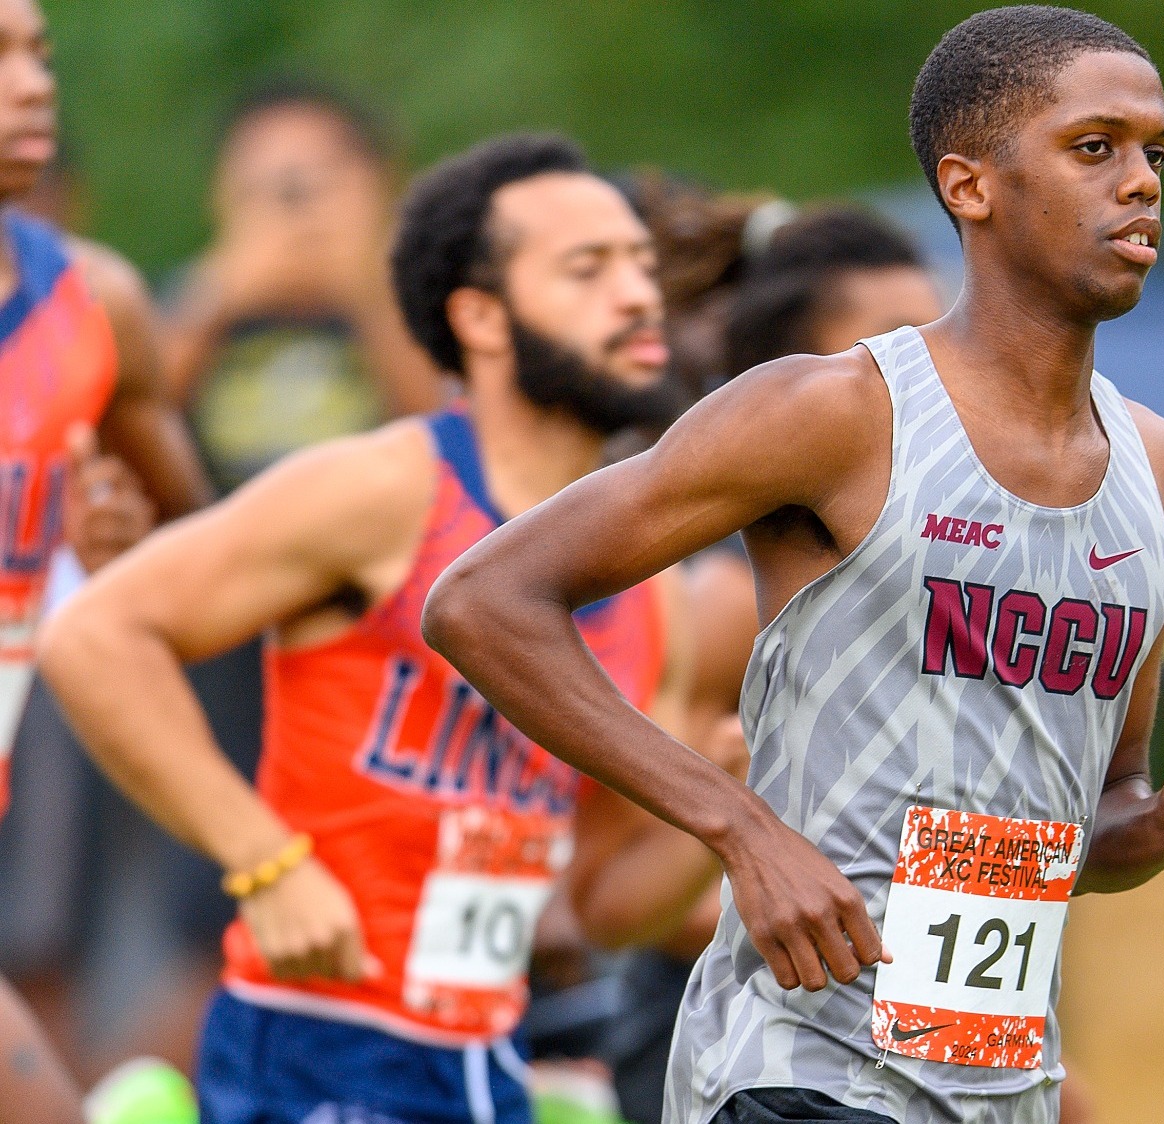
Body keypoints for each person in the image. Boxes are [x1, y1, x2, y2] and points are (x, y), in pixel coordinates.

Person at [421, 8, 1164, 1124]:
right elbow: (483, 600)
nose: (1138, 182)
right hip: (802, 1070)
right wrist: (739, 828)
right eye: (1093, 148)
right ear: (968, 185)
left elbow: (1092, 817)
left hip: (1000, 1083)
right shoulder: (834, 413)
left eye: (1153, 153)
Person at [38, 134, 729, 1124]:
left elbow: (602, 896)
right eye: (588, 270)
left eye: (640, 266)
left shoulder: (649, 583)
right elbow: (94, 636)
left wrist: (720, 805)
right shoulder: (385, 488)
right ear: (480, 316)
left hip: (493, 1052)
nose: (636, 297)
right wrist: (264, 858)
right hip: (315, 1044)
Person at [562, 204, 945, 1124]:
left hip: (919, 1025)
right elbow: (618, 892)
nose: (924, 377)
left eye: (934, 343)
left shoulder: (926, 564)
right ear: (781, 386)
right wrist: (775, 863)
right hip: (739, 1034)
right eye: (884, 350)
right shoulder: (732, 601)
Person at [0, 0, 210, 1118]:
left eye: (39, 53)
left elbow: (206, 548)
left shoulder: (99, 305)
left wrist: (129, 551)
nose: (34, 82)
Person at [163, 75, 441, 495]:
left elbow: (456, 441)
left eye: (320, 181)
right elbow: (133, 420)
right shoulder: (186, 305)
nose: (296, 211)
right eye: (263, 187)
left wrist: (368, 293)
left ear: (381, 183)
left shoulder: (424, 305)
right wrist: (214, 300)